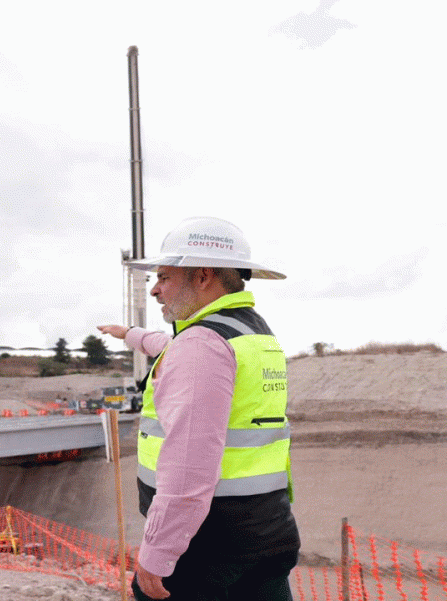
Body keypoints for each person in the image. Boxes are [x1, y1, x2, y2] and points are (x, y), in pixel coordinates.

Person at [99, 216, 301, 600]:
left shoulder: (202, 343)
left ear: (203, 276)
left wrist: (158, 553)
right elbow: (173, 347)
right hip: (265, 532)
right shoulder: (250, 332)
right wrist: (130, 335)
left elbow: (190, 463)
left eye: (164, 277)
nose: (156, 290)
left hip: (205, 549)